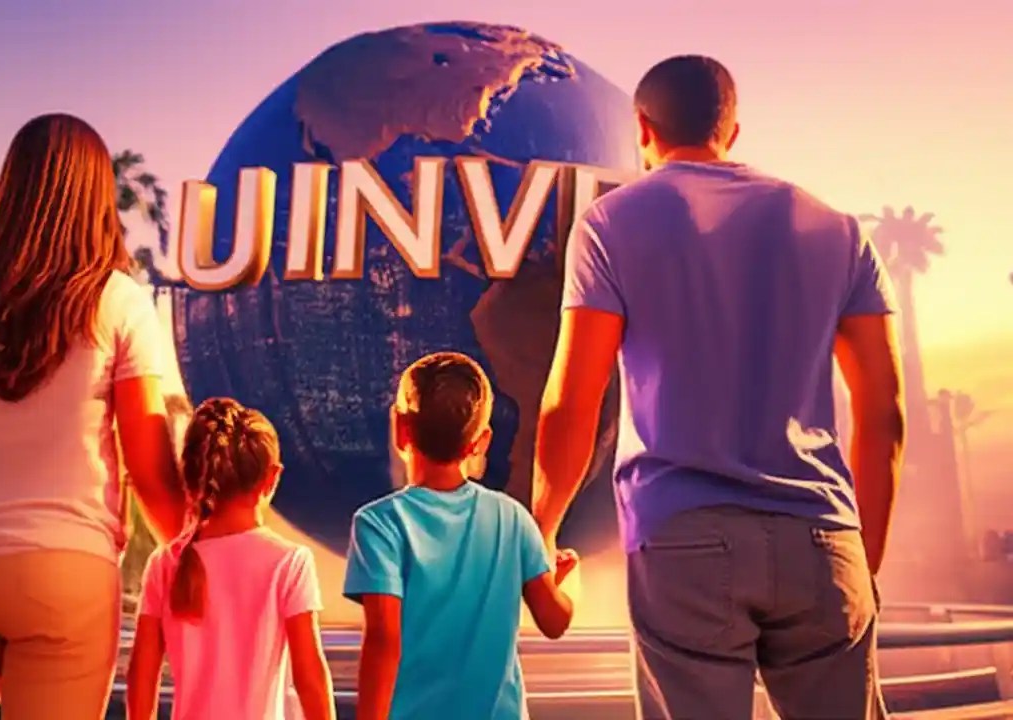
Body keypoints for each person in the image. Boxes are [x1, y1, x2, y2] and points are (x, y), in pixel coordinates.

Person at [531, 55, 905, 720]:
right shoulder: (840, 230)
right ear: (732, 129)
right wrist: (862, 566)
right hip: (824, 538)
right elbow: (883, 417)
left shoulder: (610, 225)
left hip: (681, 544)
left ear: (642, 128)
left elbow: (573, 402)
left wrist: (540, 530)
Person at [0, 113, 184, 720]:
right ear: (97, 195)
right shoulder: (119, 302)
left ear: (10, 185)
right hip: (67, 572)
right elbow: (150, 470)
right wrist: (197, 550)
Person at [345, 352, 578, 720]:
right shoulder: (513, 518)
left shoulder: (378, 524)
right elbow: (554, 621)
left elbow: (383, 641)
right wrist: (558, 584)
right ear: (481, 441)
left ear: (400, 428)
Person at [126, 398, 335, 720]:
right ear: (272, 477)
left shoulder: (165, 563)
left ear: (193, 474)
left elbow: (142, 674)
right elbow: (310, 680)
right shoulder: (288, 563)